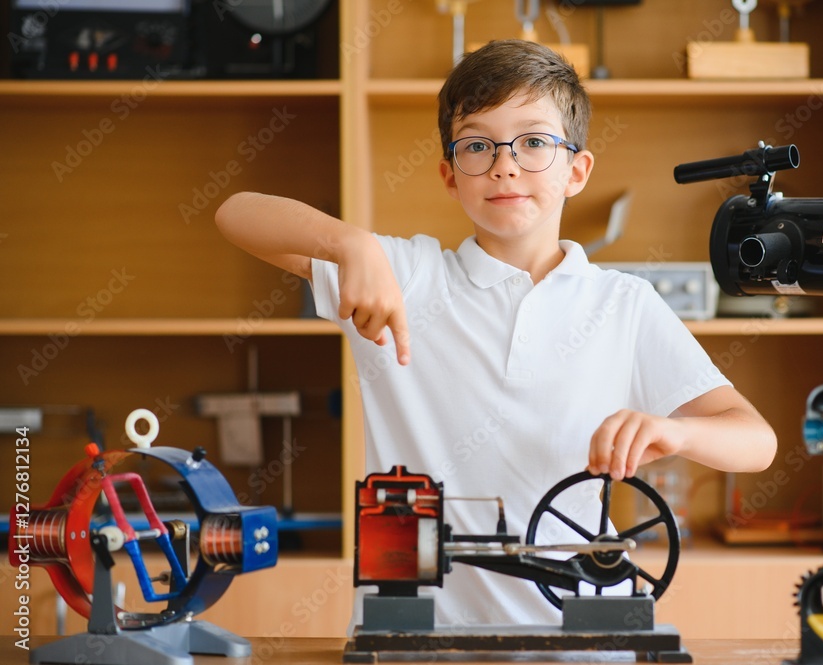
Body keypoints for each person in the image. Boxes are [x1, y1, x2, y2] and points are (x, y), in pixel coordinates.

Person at [215, 39, 776, 628]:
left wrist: (672, 430)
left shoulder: (623, 304)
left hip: (581, 634)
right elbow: (236, 212)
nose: (505, 164)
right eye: (478, 145)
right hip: (426, 635)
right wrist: (350, 243)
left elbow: (755, 441)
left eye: (533, 142)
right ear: (450, 176)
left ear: (577, 170)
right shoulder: (404, 275)